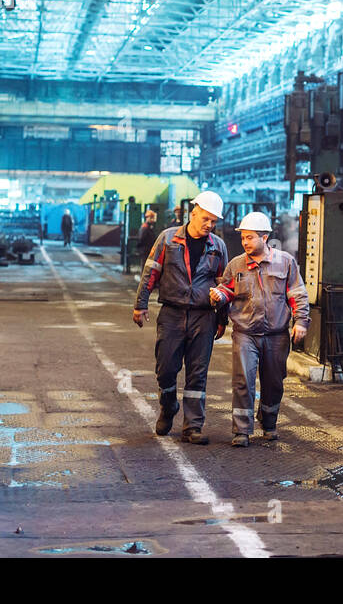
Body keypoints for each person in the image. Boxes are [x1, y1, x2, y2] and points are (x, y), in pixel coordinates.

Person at [132, 191, 228, 444]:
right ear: (193, 213)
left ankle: (193, 427)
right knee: (166, 369)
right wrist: (140, 305)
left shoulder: (218, 247)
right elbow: (150, 272)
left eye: (214, 221)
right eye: (206, 219)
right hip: (172, 314)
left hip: (203, 316)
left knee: (198, 372)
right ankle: (168, 405)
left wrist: (222, 318)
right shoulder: (168, 239)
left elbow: (224, 286)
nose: (210, 225)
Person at [210, 212, 309, 447]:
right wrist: (218, 296)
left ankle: (269, 422)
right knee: (243, 380)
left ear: (264, 238)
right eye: (243, 238)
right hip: (245, 333)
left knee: (274, 381)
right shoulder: (236, 265)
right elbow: (227, 290)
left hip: (276, 335)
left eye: (250, 238)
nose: (245, 242)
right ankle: (241, 431)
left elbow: (297, 293)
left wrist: (301, 321)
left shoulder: (285, 262)